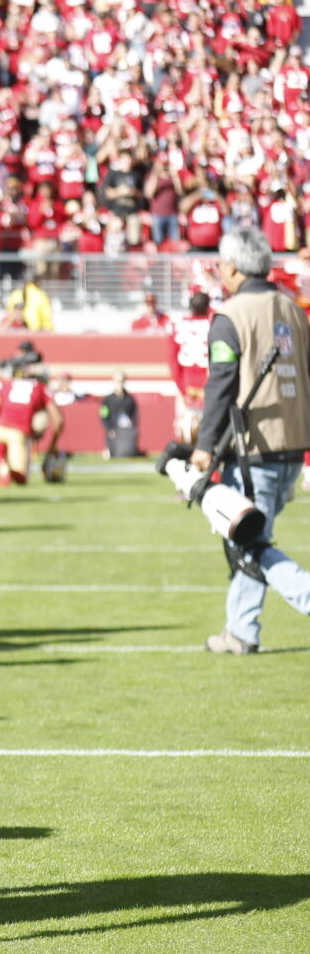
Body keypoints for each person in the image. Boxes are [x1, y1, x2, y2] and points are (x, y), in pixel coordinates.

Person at [189, 229, 310, 654]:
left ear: (234, 268)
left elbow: (221, 386)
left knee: (247, 543)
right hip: (293, 443)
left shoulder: (230, 316)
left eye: (222, 264)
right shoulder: (293, 309)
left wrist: (204, 445)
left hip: (252, 446)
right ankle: (241, 631)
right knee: (247, 538)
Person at [0, 359, 63, 488]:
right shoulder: (40, 388)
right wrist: (52, 447)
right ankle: (6, 470)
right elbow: (58, 420)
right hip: (19, 432)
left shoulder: (7, 385)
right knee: (21, 478)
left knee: (1, 434)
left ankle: (2, 463)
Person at [169, 290, 213, 441]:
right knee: (208, 430)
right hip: (207, 385)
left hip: (186, 383)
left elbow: (173, 360)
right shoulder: (213, 323)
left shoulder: (178, 325)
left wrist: (181, 387)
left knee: (184, 431)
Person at [100, 371, 140, 459]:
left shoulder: (130, 399)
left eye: (122, 381)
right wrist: (109, 429)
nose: (120, 384)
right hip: (114, 430)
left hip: (126, 431)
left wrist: (133, 428)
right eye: (118, 381)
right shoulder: (108, 399)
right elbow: (104, 416)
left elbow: (135, 415)